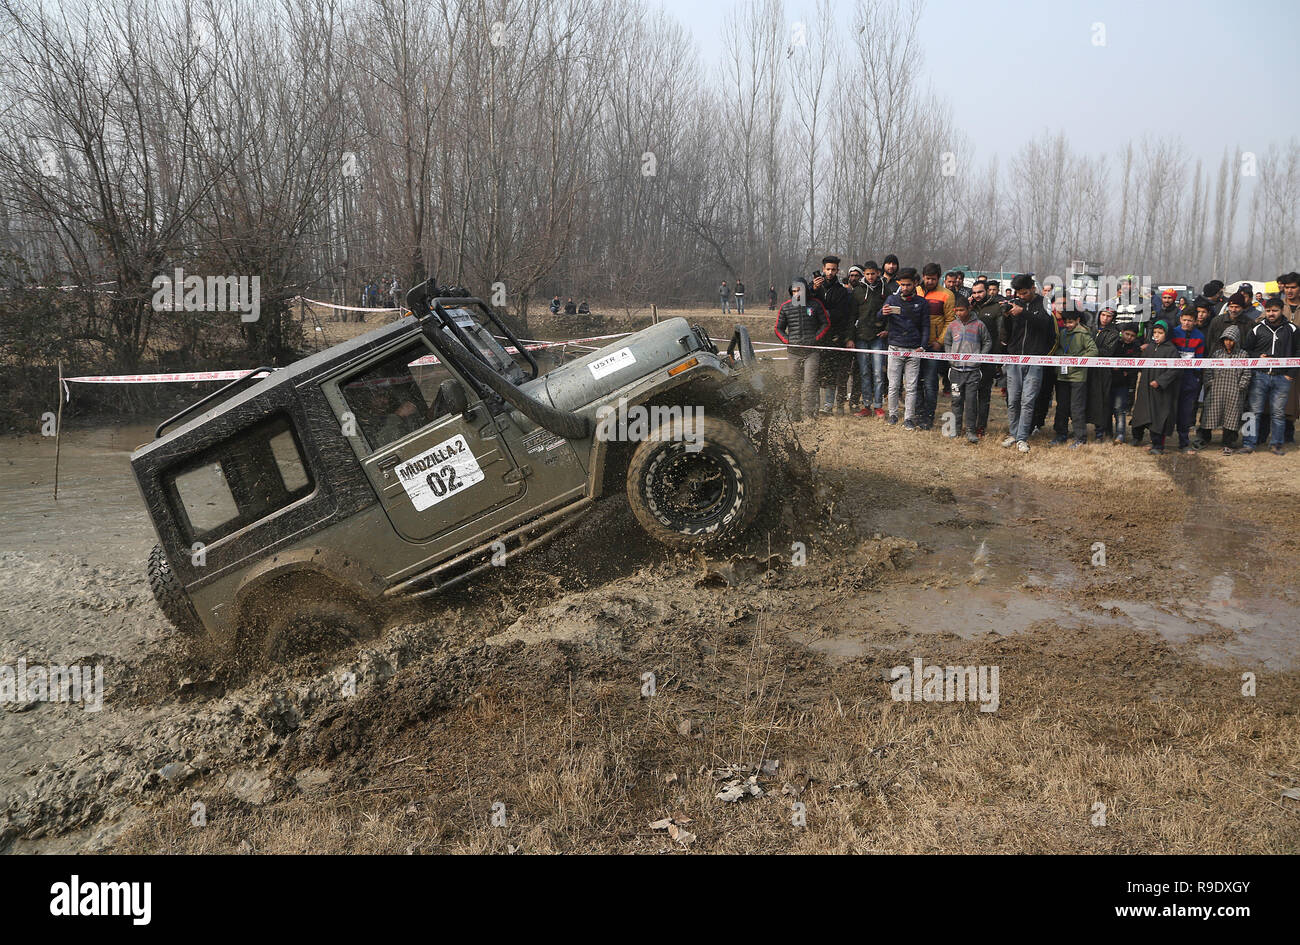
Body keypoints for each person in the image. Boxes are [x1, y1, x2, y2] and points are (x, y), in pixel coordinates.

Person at [1000, 274, 1055, 453]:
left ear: (1033, 288)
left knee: (1028, 400)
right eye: (1018, 293)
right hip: (1015, 357)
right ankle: (1014, 434)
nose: (1021, 296)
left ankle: (1023, 437)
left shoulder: (1044, 303)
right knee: (1013, 399)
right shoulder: (1015, 303)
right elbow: (1007, 333)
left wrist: (1023, 313)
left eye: (1024, 293)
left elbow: (1045, 325)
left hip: (1035, 359)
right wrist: (1007, 316)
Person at [1240, 296, 1297, 455]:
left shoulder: (1292, 329)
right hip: (1259, 376)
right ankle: (1248, 443)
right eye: (1268, 310)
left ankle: (1276, 444)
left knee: (1278, 413)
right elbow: (1246, 350)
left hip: (1282, 378)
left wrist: (1290, 375)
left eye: (1274, 311)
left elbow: (1298, 352)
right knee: (1252, 411)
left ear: (1281, 311)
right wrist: (1258, 356)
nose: (1271, 314)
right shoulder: (1257, 328)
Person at [774, 278, 831, 420]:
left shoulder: (815, 304)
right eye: (794, 291)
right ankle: (795, 414)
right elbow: (778, 328)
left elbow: (826, 324)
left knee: (810, 383)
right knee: (794, 384)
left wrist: (815, 339)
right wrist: (788, 341)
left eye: (799, 290)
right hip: (793, 352)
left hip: (811, 351)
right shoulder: (785, 307)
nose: (796, 293)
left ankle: (810, 414)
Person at [883, 267, 930, 428]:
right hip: (895, 347)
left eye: (908, 285)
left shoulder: (922, 303)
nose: (904, 288)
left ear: (915, 283)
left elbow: (925, 326)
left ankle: (909, 418)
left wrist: (923, 346)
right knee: (894, 385)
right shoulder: (891, 299)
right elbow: (879, 317)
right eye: (902, 285)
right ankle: (893, 414)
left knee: (911, 386)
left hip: (914, 350)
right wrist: (883, 312)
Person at [942, 295, 992, 443]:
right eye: (956, 310)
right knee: (956, 400)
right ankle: (956, 429)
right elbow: (947, 343)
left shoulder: (979, 325)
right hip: (956, 372)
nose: (959, 313)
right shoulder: (952, 326)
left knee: (971, 401)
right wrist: (951, 358)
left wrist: (980, 357)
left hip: (973, 372)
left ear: (969, 308)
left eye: (962, 310)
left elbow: (987, 341)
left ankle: (971, 430)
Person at [810, 255, 855, 414]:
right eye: (827, 269)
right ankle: (814, 406)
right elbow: (800, 303)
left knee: (830, 373)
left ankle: (828, 406)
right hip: (815, 336)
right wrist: (813, 289)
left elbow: (842, 313)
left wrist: (823, 313)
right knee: (814, 373)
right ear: (823, 269)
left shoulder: (842, 291)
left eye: (833, 269)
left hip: (834, 336)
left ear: (837, 270)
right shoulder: (813, 286)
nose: (830, 272)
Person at [1199, 325, 1253, 454]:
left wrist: (1240, 386)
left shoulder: (1243, 355)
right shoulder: (1217, 354)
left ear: (1237, 340)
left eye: (1231, 340)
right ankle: (1204, 439)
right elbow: (1208, 371)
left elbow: (1247, 373)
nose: (1228, 342)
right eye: (1225, 339)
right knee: (1210, 413)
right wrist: (1210, 383)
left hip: (1235, 391)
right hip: (1216, 390)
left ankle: (1228, 442)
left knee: (1232, 417)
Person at [1049, 306, 1098, 448]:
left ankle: (1080, 437)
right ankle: (1061, 434)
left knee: (1077, 407)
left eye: (1071, 322)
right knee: (1062, 407)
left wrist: (1077, 360)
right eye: (1066, 322)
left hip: (1078, 377)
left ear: (1077, 320)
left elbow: (1093, 351)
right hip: (1063, 376)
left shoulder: (1083, 334)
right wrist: (1061, 357)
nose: (1068, 325)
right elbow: (1057, 348)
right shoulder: (1063, 333)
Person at [1130, 319, 1179, 455]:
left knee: (1159, 417)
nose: (1157, 335)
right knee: (1141, 412)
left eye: (1160, 333)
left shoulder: (1171, 350)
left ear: (1167, 334)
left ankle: (1158, 445)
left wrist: (1160, 381)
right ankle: (1136, 437)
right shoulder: (1149, 348)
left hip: (1161, 391)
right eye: (1155, 332)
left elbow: (1174, 370)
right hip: (1146, 387)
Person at [918, 262, 956, 430]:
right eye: (927, 279)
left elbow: (950, 321)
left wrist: (939, 341)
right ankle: (917, 414)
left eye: (933, 279)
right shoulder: (916, 290)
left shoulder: (946, 295)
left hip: (933, 346)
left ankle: (928, 416)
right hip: (914, 344)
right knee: (915, 382)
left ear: (938, 278)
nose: (929, 282)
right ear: (922, 276)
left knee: (930, 383)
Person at [849, 263, 887, 417]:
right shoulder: (857, 291)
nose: (870, 277)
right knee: (864, 372)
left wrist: (888, 329)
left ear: (878, 273)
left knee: (878, 373)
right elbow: (851, 316)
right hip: (861, 338)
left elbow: (891, 311)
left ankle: (878, 405)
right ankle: (866, 406)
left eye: (873, 274)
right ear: (864, 274)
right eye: (868, 274)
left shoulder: (885, 290)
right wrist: (850, 338)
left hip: (877, 337)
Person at [969, 279, 1004, 436]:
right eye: (974, 292)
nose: (977, 295)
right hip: (969, 356)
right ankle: (969, 424)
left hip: (988, 357)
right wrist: (968, 307)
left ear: (988, 291)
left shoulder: (997, 308)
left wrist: (996, 358)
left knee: (984, 394)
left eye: (980, 292)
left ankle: (981, 427)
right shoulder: (969, 307)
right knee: (969, 393)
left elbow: (1001, 333)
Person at [1169, 309, 1206, 452]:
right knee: (1168, 408)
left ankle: (1184, 442)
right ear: (1180, 319)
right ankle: (1160, 441)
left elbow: (1200, 357)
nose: (1186, 323)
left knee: (1185, 411)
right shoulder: (1173, 333)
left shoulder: (1200, 336)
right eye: (1184, 319)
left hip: (1190, 377)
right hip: (1173, 376)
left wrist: (1196, 376)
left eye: (1190, 320)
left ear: (1195, 321)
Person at [1086, 307, 1121, 441]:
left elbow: (1107, 351)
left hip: (1102, 371)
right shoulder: (1091, 328)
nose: (1105, 318)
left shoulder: (1113, 333)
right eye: (1103, 315)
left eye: (1108, 316)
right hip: (1088, 369)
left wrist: (1089, 349)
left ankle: (1100, 432)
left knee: (1101, 401)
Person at [1112, 324, 1143, 444]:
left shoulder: (1136, 347)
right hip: (1110, 380)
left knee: (1120, 409)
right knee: (1107, 407)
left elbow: (1135, 366)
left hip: (1124, 383)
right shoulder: (1115, 343)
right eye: (1127, 334)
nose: (1129, 337)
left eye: (1132, 336)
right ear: (1122, 332)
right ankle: (1107, 431)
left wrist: (1125, 371)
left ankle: (1120, 434)